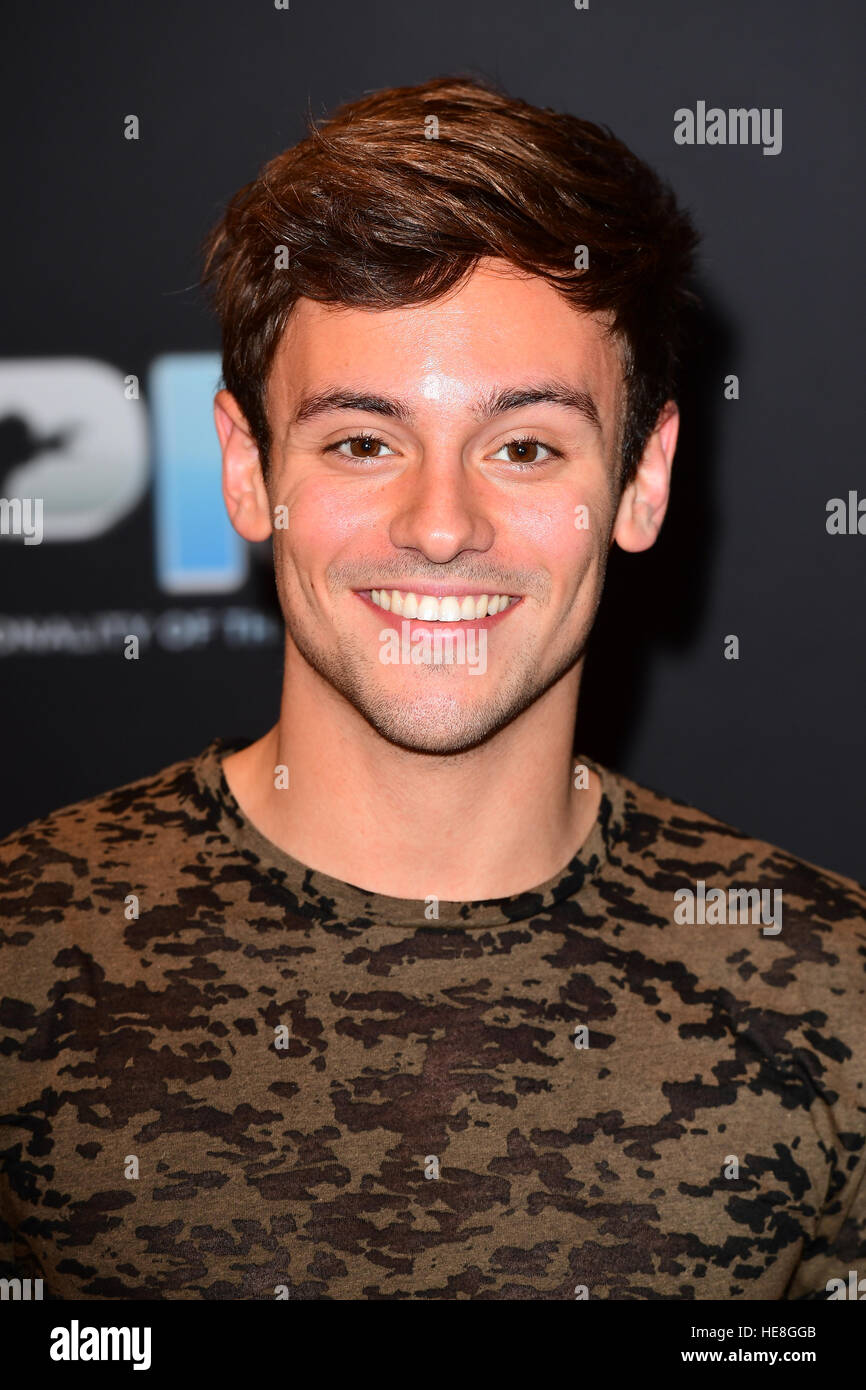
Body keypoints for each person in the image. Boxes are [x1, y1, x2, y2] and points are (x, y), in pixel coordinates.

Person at [1, 75, 863, 1302]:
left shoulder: (835, 995)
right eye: (362, 439)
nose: (441, 525)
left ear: (641, 478)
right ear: (246, 472)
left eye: (523, 446)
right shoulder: (23, 955)